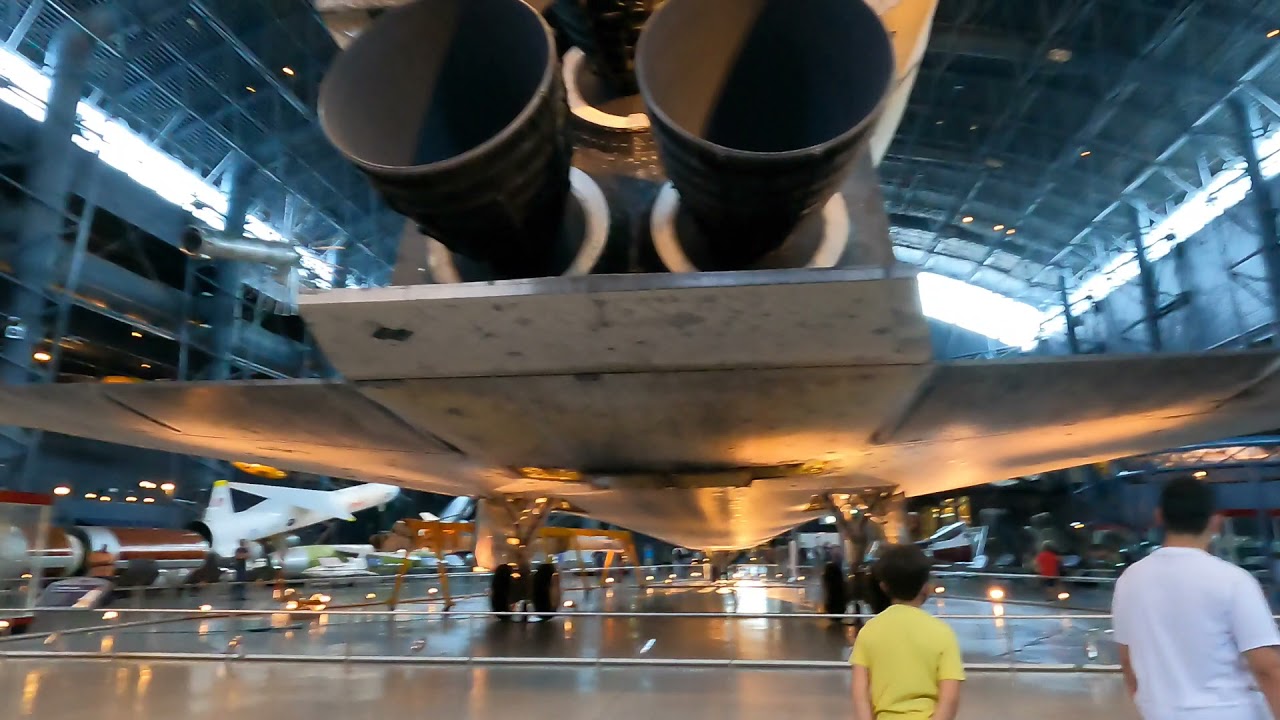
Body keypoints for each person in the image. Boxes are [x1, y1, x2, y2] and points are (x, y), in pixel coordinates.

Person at [1113, 476, 1280, 720]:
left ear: (1159, 517)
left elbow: (1128, 664)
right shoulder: (1233, 580)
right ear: (1216, 521)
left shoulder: (1129, 580)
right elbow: (1267, 668)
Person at [851, 544, 964, 720]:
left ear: (884, 587)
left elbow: (860, 693)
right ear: (926, 587)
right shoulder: (942, 633)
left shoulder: (869, 631)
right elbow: (949, 697)